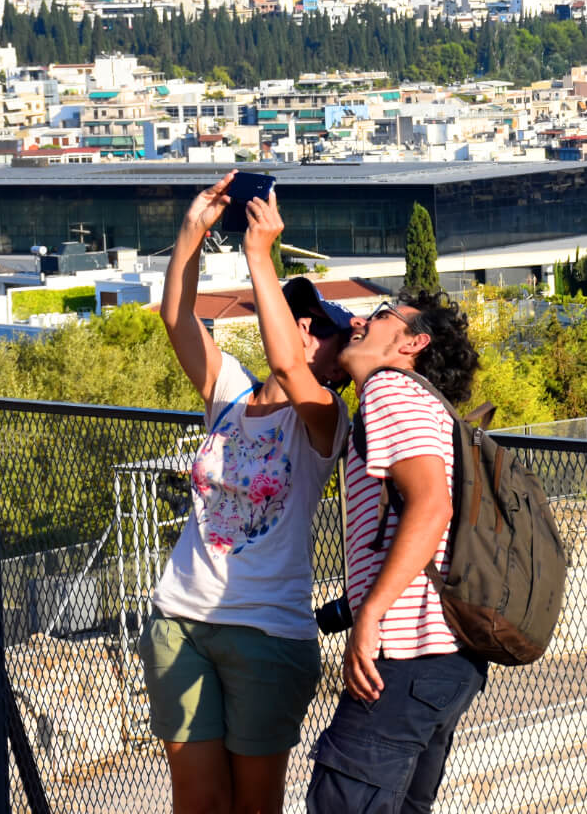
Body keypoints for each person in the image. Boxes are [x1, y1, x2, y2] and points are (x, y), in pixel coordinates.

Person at [147, 175, 357, 814]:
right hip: (182, 617)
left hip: (266, 630)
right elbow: (176, 318)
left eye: (318, 327)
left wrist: (260, 255)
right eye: (297, 314)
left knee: (254, 807)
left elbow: (291, 367)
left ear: (336, 363)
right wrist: (191, 232)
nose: (302, 324)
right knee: (198, 801)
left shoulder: (325, 419)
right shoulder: (230, 393)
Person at [306, 290, 484, 814]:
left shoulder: (390, 389)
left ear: (413, 344)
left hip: (406, 656)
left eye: (383, 315)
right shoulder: (423, 404)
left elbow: (431, 507)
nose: (360, 320)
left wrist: (370, 616)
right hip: (445, 660)